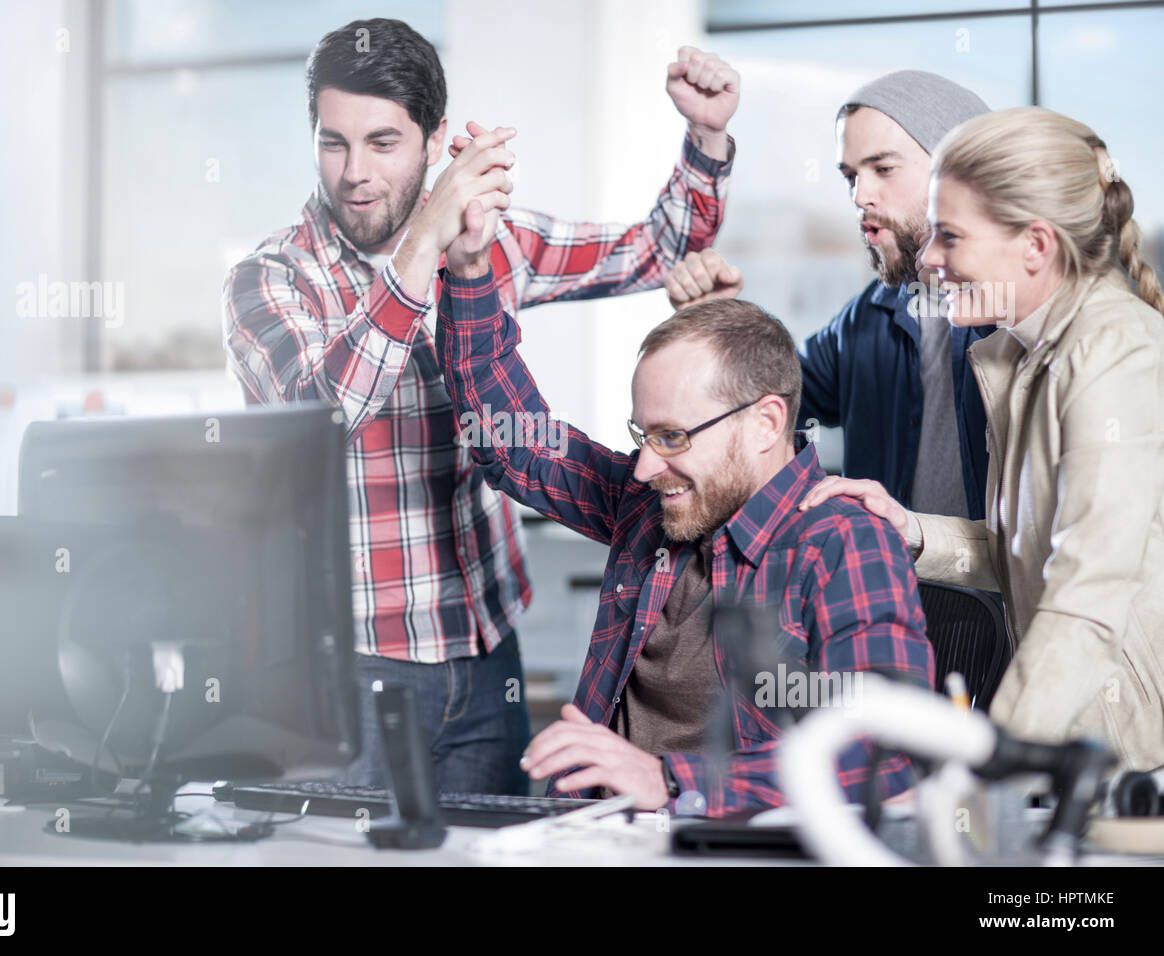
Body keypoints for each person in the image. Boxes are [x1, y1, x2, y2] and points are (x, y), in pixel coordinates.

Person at [221, 17, 740, 794]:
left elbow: (656, 250)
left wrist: (703, 139)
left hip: (485, 651)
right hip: (350, 669)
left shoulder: (486, 241)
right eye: (335, 142)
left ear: (434, 142)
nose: (355, 172)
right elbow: (324, 415)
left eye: (383, 142)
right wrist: (422, 245)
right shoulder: (271, 278)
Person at [435, 193, 933, 813]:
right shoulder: (655, 502)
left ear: (764, 423)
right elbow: (515, 444)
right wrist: (468, 271)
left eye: (672, 436)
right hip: (593, 836)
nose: (645, 465)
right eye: (642, 435)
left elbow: (884, 753)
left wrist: (669, 780)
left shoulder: (842, 542)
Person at [800, 106, 1164, 771]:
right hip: (1077, 738)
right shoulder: (1013, 359)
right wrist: (909, 529)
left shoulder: (1115, 353)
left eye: (950, 237)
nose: (929, 259)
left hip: (1134, 752)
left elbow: (1087, 595)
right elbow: (1022, 555)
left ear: (1035, 245)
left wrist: (988, 754)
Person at [665, 71, 994, 519]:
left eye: (883, 169)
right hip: (886, 585)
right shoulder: (870, 316)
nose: (860, 197)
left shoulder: (1025, 318)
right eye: (850, 177)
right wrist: (716, 323)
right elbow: (767, 403)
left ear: (959, 171)